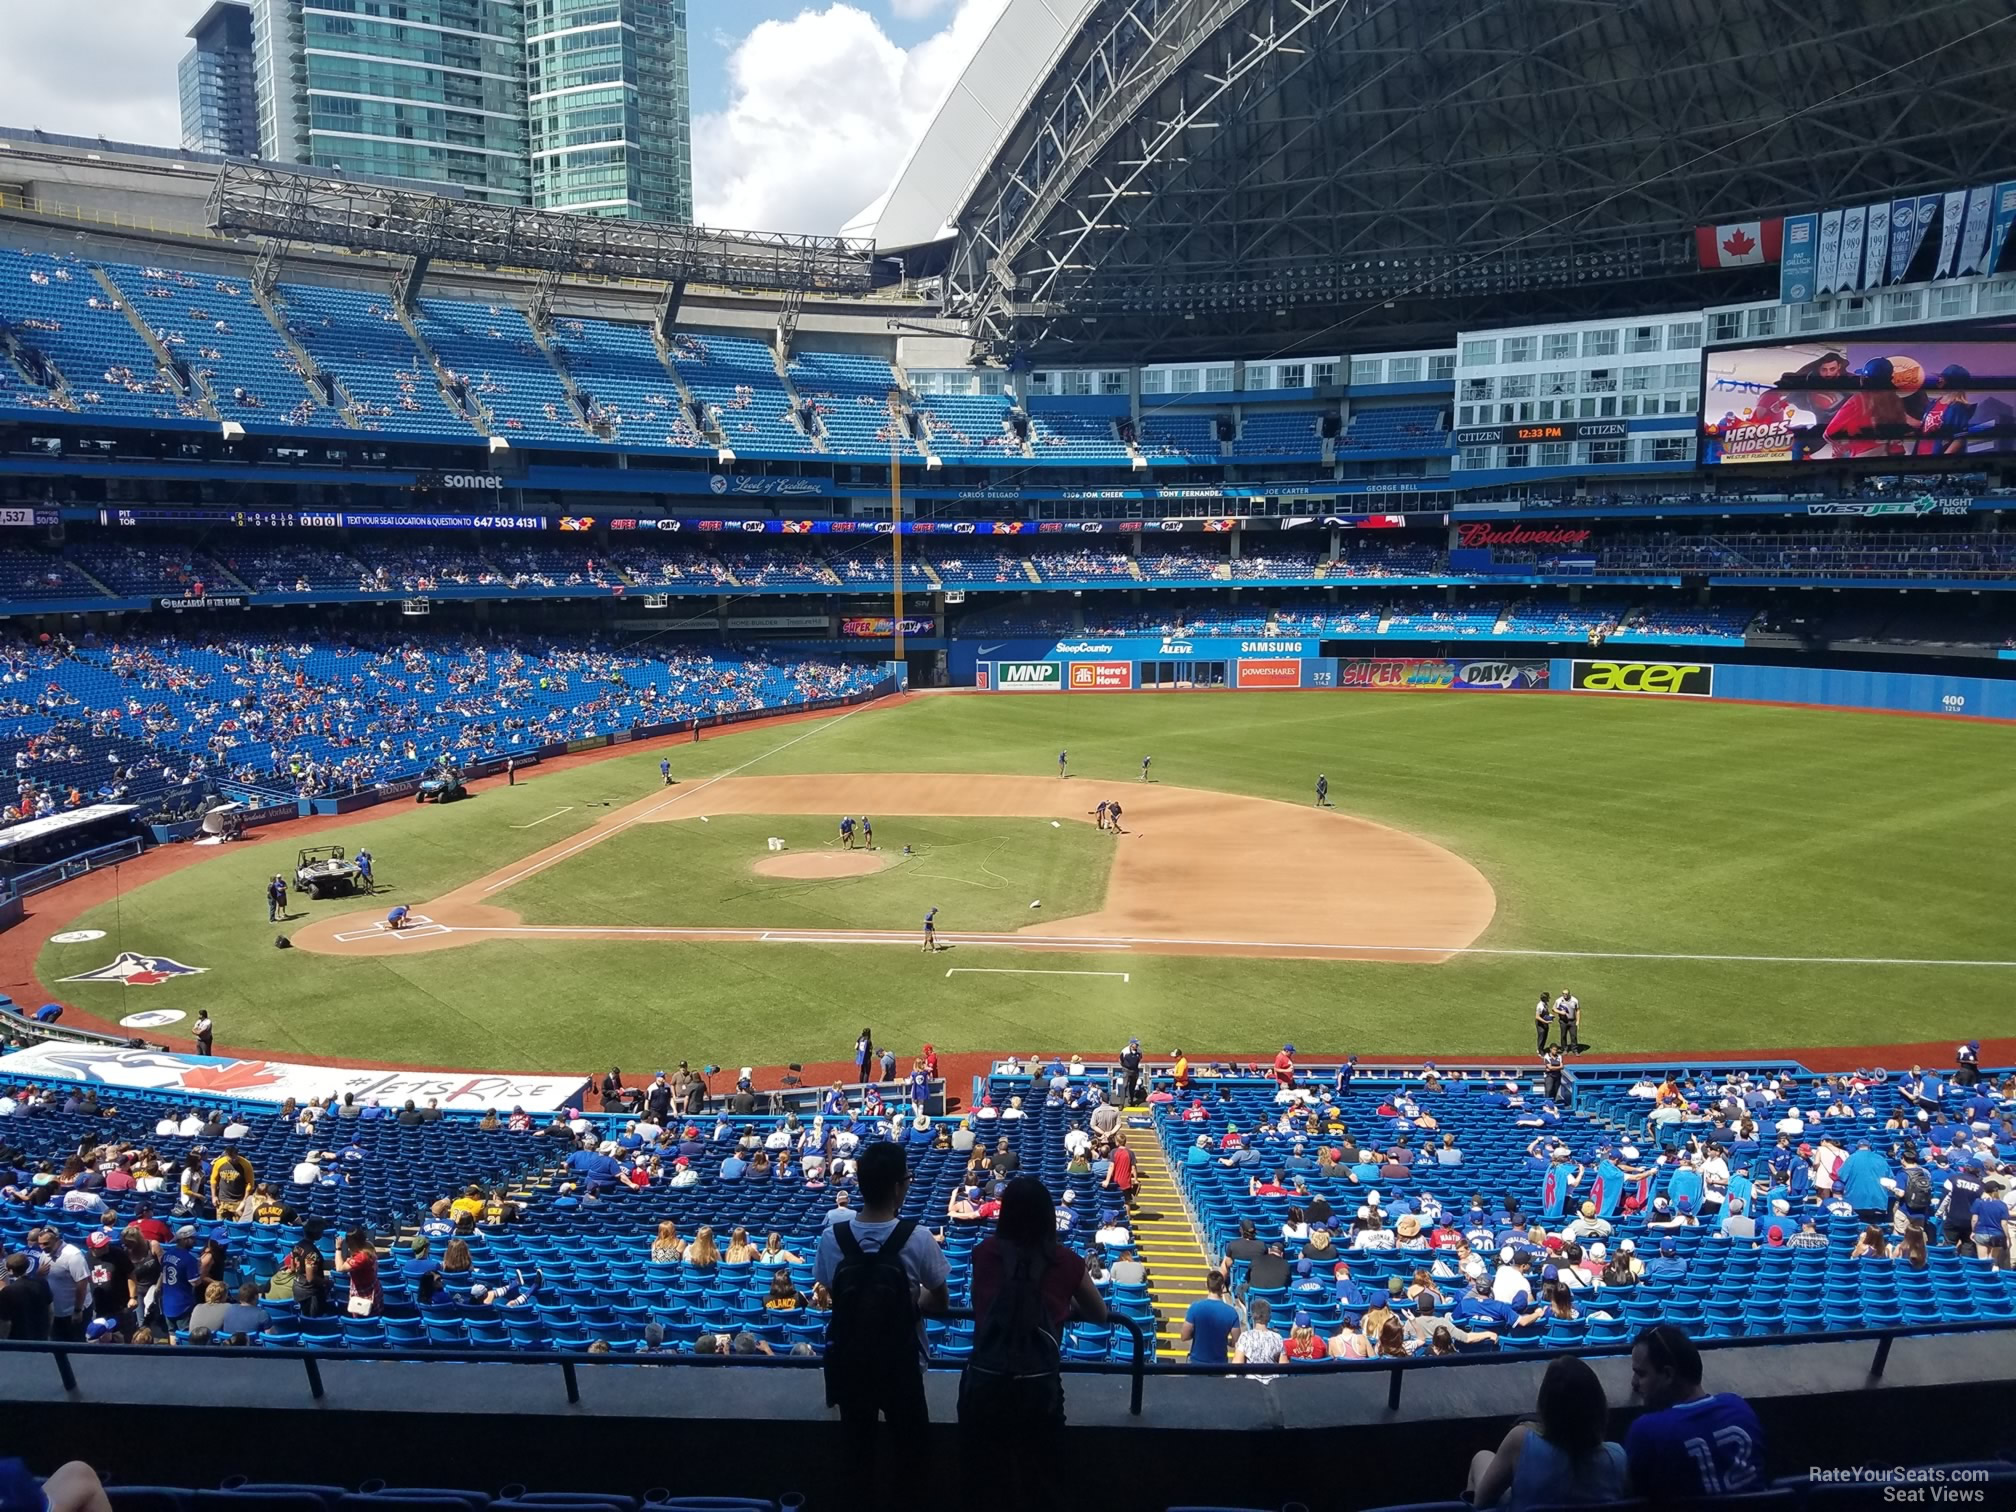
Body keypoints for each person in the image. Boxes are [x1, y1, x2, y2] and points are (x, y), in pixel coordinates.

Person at [814, 1140, 949, 1510]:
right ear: (898, 1186)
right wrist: (912, 1299)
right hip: (901, 1365)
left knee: (857, 1461)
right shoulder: (918, 1237)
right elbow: (940, 1301)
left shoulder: (832, 1237)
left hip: (851, 1365)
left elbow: (834, 1295)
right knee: (913, 1462)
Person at [959, 1175, 1106, 1509]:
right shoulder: (1066, 1260)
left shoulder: (984, 1253)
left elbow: (981, 1303)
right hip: (1038, 1386)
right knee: (1042, 1480)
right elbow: (1098, 1313)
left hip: (985, 1381)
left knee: (982, 1480)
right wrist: (1064, 1301)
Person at [1466, 1355, 1628, 1510]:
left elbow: (1481, 1502)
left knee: (1481, 1457)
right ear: (1599, 1406)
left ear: (1545, 1405)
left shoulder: (1520, 1440)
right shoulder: (1617, 1458)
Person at [1626, 1324, 1766, 1501]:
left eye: (1641, 1374)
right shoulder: (1740, 1408)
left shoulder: (1647, 1431)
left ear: (1668, 1375)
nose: (1634, 1383)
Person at [1179, 1269, 1241, 1363]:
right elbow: (1237, 1341)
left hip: (1197, 1363)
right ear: (1222, 1287)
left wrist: (1198, 1335)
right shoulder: (1232, 1313)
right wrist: (1227, 1341)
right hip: (1219, 1364)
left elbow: (1184, 1336)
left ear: (1206, 1285)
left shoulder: (1195, 1308)